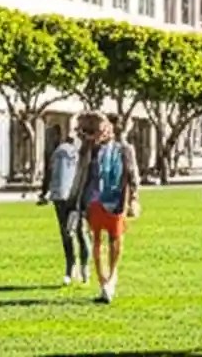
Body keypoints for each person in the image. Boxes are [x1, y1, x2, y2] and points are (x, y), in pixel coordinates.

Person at [68, 112, 140, 304]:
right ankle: (103, 282)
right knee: (96, 240)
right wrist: (75, 201)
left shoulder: (123, 149)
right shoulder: (87, 150)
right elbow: (80, 175)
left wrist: (134, 198)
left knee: (115, 239)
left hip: (116, 199)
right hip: (93, 200)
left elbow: (133, 176)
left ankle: (113, 274)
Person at [37, 131, 89, 286]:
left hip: (59, 196)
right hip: (75, 198)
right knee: (80, 232)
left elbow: (49, 174)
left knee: (67, 234)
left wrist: (44, 193)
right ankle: (83, 268)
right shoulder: (81, 154)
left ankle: (70, 268)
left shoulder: (57, 152)